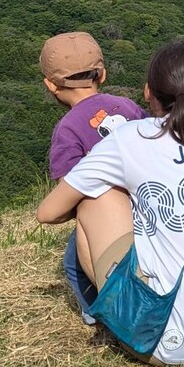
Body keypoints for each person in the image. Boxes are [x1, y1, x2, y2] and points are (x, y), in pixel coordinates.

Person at [37, 40, 184, 364]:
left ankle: (114, 316)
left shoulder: (129, 139)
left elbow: (48, 212)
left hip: (170, 343)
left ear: (148, 92)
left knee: (93, 197)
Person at [39, 31, 145, 323]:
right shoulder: (127, 106)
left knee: (72, 264)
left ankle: (96, 312)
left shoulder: (67, 129)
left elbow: (68, 193)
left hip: (105, 216)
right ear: (103, 74)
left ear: (51, 85)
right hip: (146, 201)